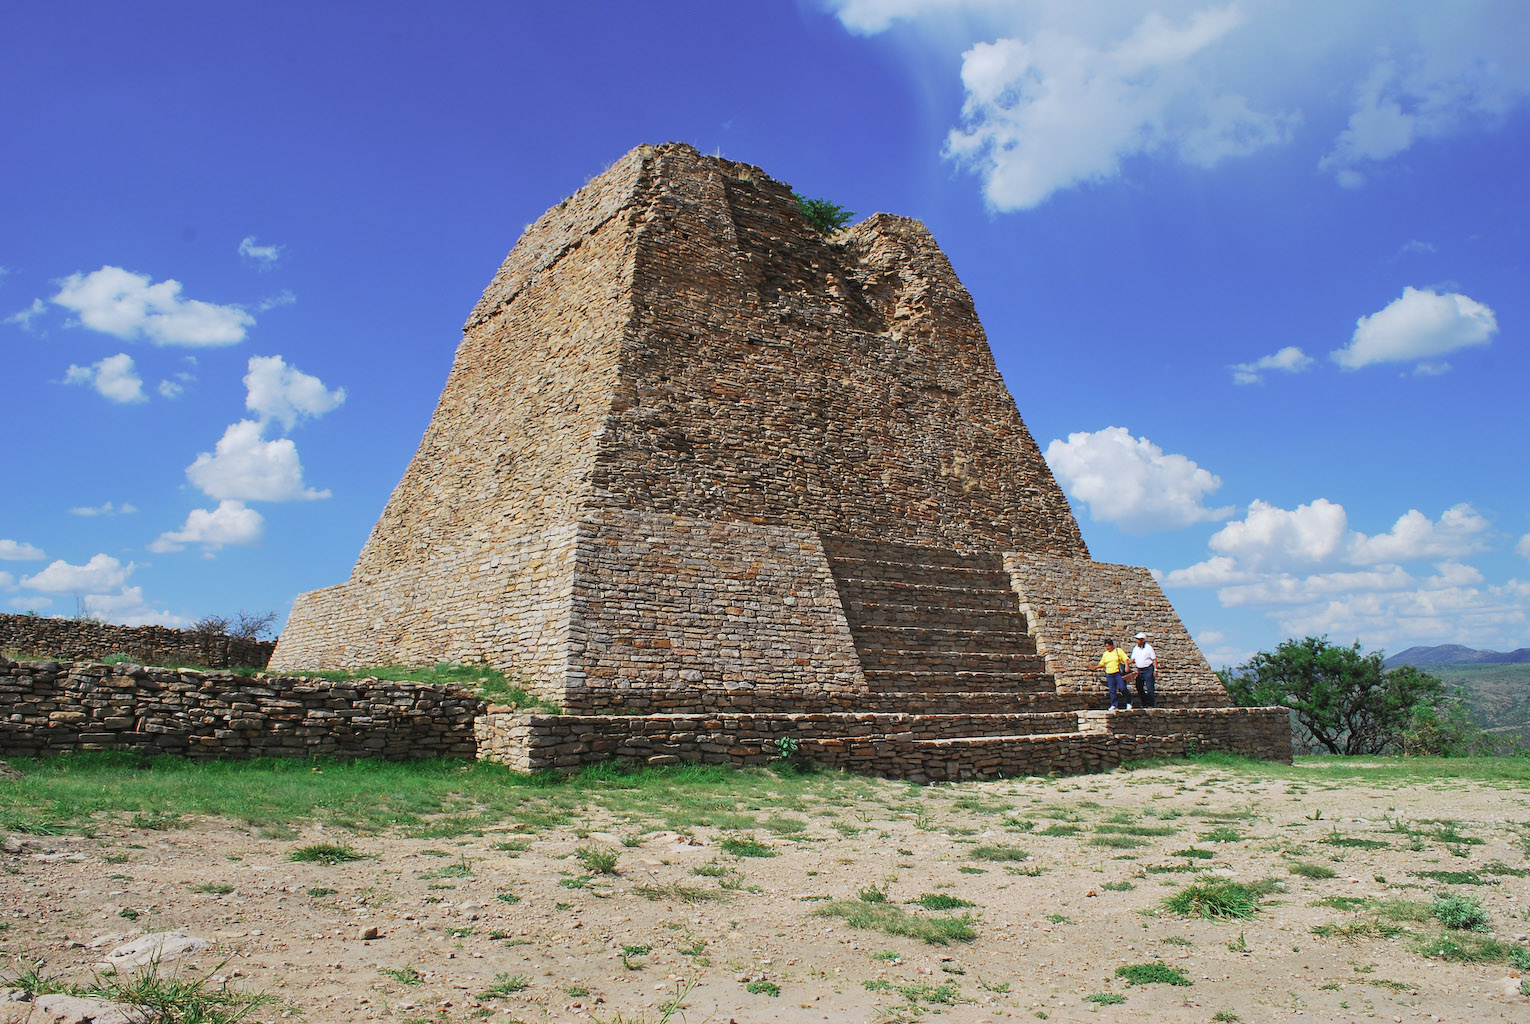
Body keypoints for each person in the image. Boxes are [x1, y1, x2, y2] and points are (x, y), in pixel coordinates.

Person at [1097, 640, 1132, 711]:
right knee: (1112, 690)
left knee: (1122, 687)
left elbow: (1125, 659)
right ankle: (1114, 704)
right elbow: (1102, 663)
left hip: (1118, 673)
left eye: (1108, 646)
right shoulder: (1105, 654)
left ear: (1111, 645)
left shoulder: (1118, 651)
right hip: (1109, 673)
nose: (1107, 648)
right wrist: (1095, 667)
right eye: (1106, 646)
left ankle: (1129, 701)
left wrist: (1127, 666)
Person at [1131, 632, 1157, 708]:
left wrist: (1156, 669)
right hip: (1140, 670)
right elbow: (1132, 659)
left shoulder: (1148, 648)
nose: (1137, 641)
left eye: (1138, 640)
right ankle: (1144, 702)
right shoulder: (1135, 648)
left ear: (1142, 640)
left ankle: (1151, 704)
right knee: (1139, 686)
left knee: (1149, 687)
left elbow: (1154, 659)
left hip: (1148, 669)